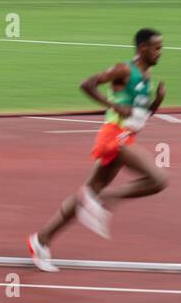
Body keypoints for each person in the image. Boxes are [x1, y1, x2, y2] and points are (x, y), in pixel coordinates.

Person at [28, 29, 169, 272]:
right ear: (142, 48)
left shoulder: (147, 77)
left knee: (90, 189)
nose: (160, 52)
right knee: (158, 179)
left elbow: (140, 116)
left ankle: (40, 240)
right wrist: (112, 104)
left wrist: (157, 101)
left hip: (127, 136)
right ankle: (103, 201)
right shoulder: (124, 70)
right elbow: (87, 84)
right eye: (157, 48)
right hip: (114, 137)